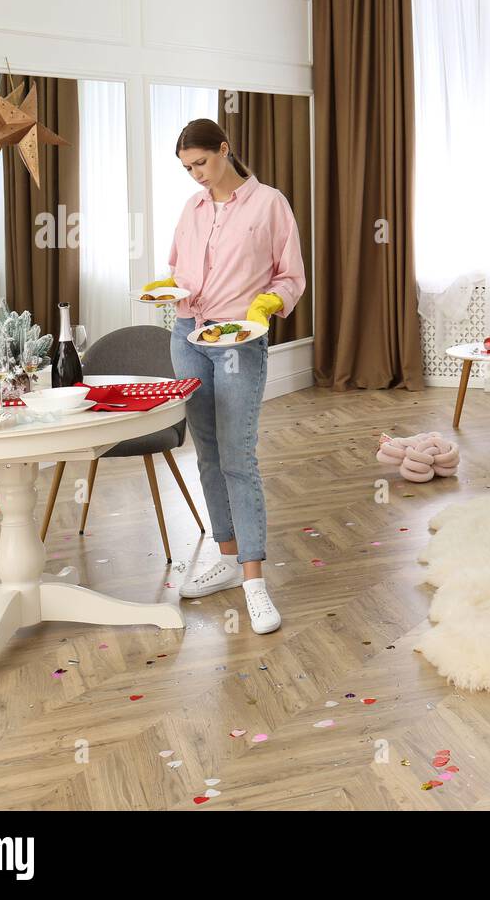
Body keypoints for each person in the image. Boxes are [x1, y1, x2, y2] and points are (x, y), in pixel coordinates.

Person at [143, 118, 306, 634]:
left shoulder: (270, 204)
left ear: (225, 150)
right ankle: (228, 556)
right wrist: (167, 288)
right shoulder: (191, 209)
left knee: (238, 455)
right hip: (188, 334)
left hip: (238, 339)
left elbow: (290, 274)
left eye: (201, 163)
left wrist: (270, 302)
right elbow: (179, 271)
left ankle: (255, 582)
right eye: (187, 168)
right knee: (208, 454)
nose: (196, 176)